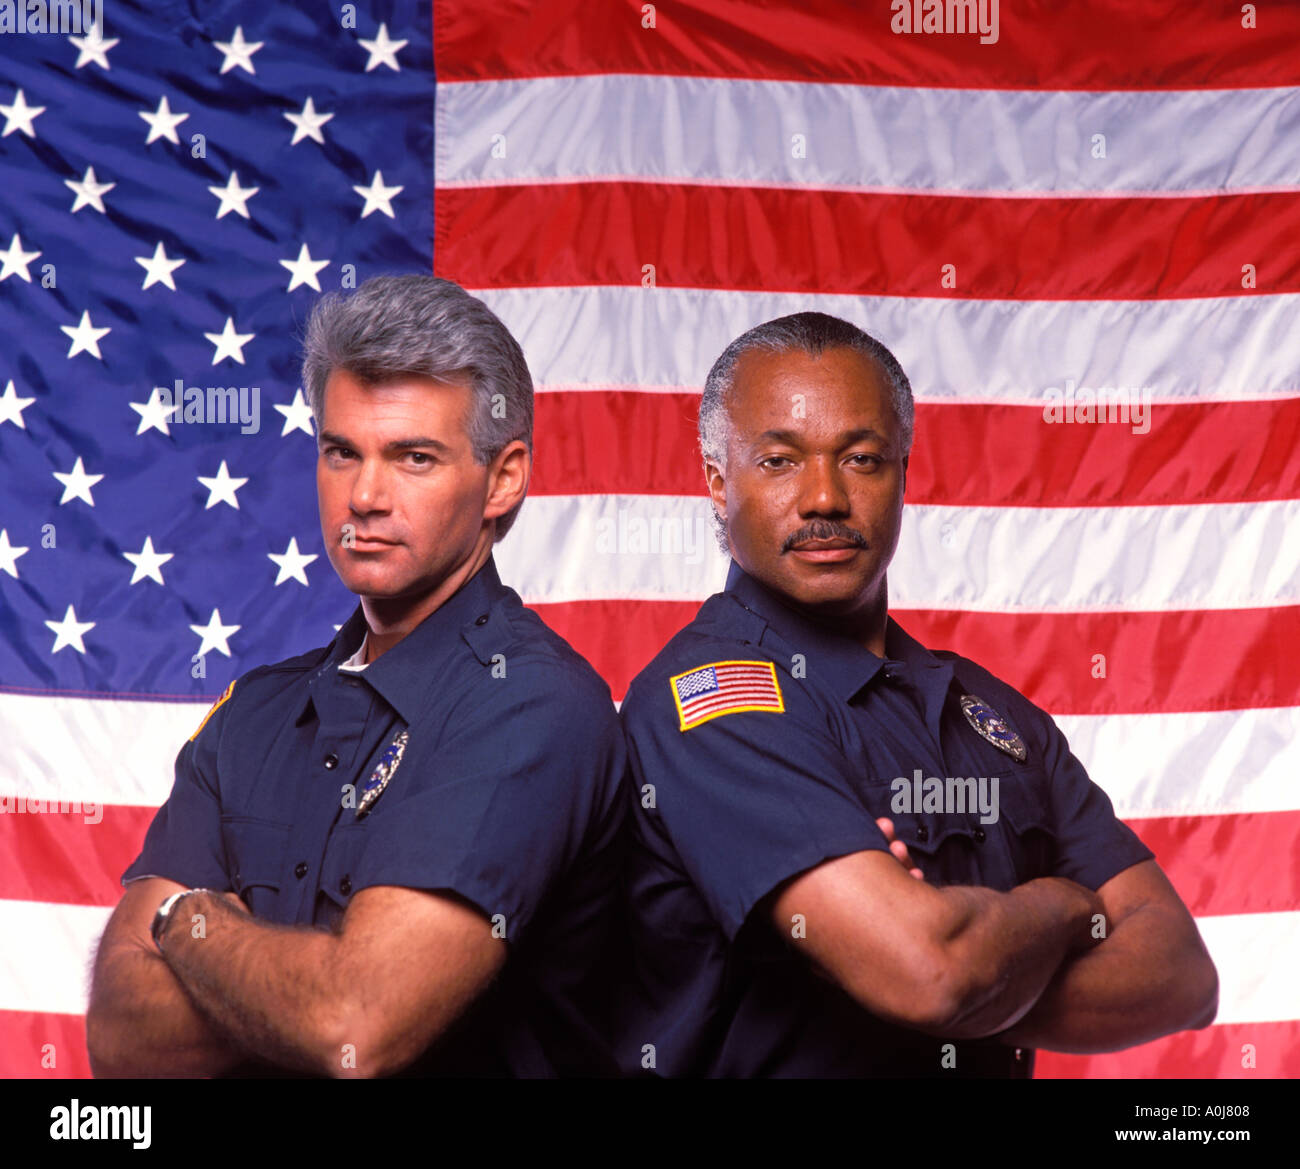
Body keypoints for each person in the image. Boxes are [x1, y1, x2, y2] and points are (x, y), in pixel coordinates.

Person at [617, 311, 1218, 1077]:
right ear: (716, 480)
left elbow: (1184, 975)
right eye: (778, 461)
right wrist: (1065, 906)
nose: (824, 497)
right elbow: (927, 973)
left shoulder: (994, 712)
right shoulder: (711, 700)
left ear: (904, 469)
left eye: (861, 458)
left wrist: (971, 968)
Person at [86, 275, 627, 1078]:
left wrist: (185, 918)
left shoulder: (531, 703)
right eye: (342, 452)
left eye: (414, 457)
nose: (365, 496)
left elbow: (355, 1025)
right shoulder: (256, 713)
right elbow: (122, 1039)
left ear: (503, 478)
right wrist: (298, 978)